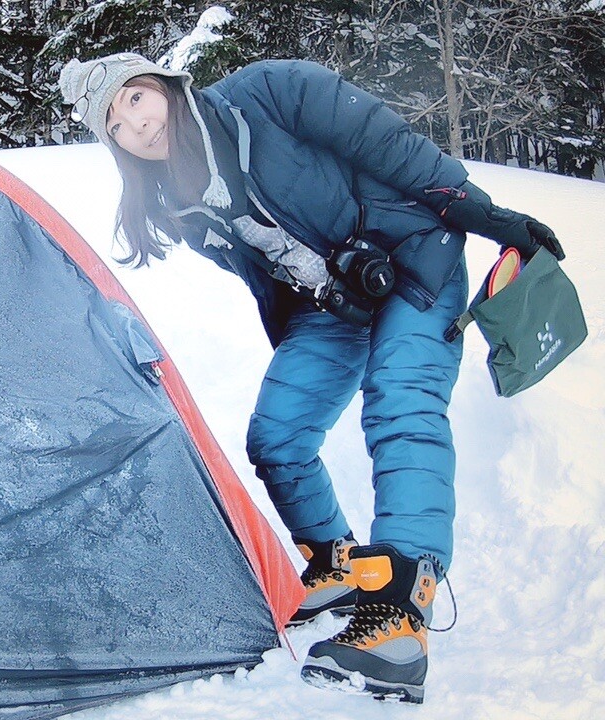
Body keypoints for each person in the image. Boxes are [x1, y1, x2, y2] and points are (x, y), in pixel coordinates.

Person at [59, 53, 564, 704]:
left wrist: (486, 217)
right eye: (116, 124)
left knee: (400, 405)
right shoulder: (181, 204)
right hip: (335, 303)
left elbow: (387, 144)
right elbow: (266, 275)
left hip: (416, 258)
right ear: (116, 147)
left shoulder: (270, 92)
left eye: (134, 98)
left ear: (163, 84)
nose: (137, 123)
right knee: (277, 435)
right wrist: (300, 340)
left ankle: (398, 616)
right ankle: (337, 564)